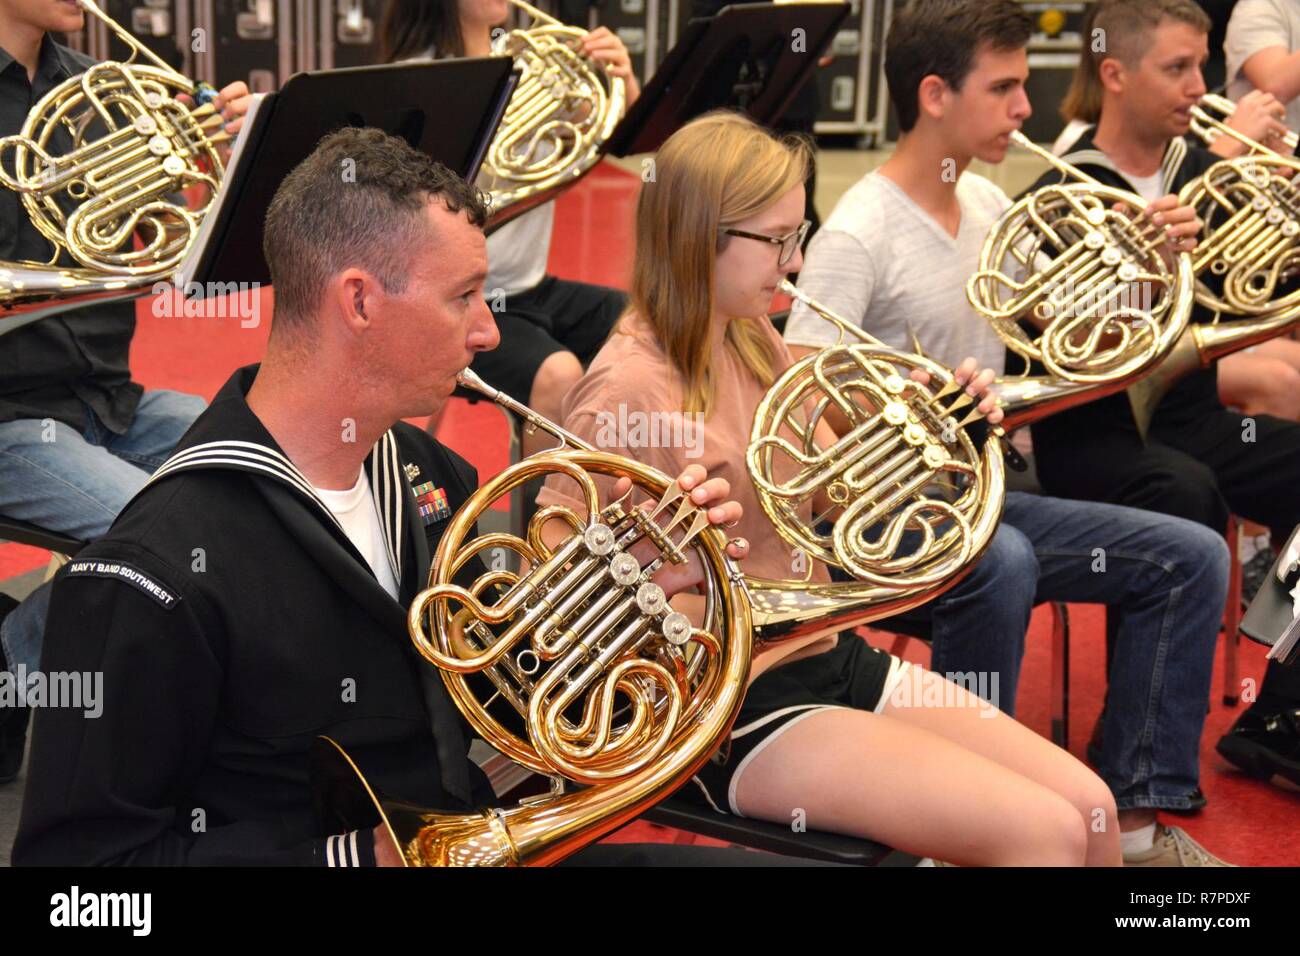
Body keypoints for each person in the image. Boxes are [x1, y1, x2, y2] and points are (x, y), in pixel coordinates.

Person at [10, 126, 806, 868]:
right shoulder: (155, 572)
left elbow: (501, 701)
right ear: (359, 302)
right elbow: (80, 896)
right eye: (463, 296)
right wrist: (361, 855)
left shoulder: (429, 477)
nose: (490, 332)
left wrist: (627, 607)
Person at [539, 108, 1131, 867]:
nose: (794, 260)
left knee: (1089, 812)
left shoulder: (753, 339)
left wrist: (939, 431)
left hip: (828, 654)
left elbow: (837, 502)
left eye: (798, 234)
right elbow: (560, 589)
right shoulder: (626, 389)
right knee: (1040, 837)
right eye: (778, 240)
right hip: (734, 707)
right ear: (698, 238)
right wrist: (697, 591)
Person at [783, 0, 1234, 866]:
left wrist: (1152, 267)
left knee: (1192, 556)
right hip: (874, 522)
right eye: (1006, 88)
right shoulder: (857, 235)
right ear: (935, 97)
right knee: (1005, 562)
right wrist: (902, 404)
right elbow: (798, 407)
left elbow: (1071, 337)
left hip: (977, 496)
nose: (1028, 109)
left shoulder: (987, 201)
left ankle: (1136, 825)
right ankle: (957, 818)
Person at [1026, 0, 1300, 795]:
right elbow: (1050, 350)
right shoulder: (1066, 188)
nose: (1200, 85)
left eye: (1202, 64)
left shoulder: (1205, 174)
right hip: (1089, 431)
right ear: (1114, 74)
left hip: (1189, 415)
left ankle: (1283, 714)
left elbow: (1253, 299)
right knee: (1184, 494)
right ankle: (1137, 763)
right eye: (1177, 68)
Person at [0, 0, 251, 782]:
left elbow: (173, 252)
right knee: (157, 534)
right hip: (12, 414)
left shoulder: (97, 90)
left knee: (271, 466)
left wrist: (229, 159)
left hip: (112, 396)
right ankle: (17, 671)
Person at [380, 0, 636, 460]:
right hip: (454, 301)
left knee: (647, 326)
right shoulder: (417, 82)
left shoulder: (530, 61)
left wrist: (623, 85)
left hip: (531, 288)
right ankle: (551, 524)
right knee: (558, 375)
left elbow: (624, 143)